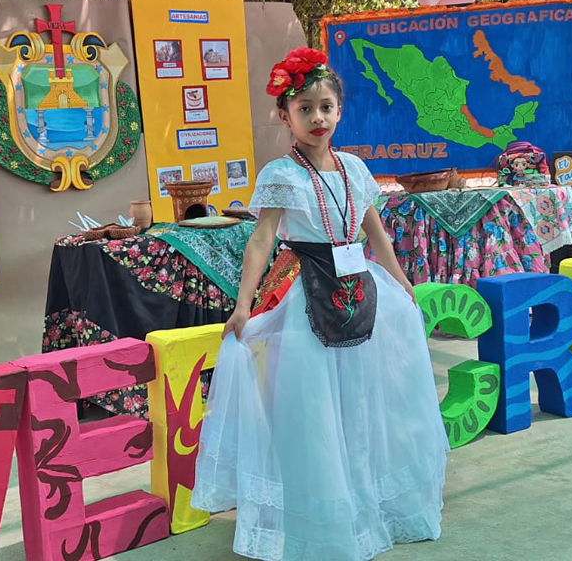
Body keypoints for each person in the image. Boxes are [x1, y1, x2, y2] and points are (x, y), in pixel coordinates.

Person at [191, 47, 448, 561]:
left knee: (364, 400)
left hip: (363, 292)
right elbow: (262, 240)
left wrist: (401, 283)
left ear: (340, 110)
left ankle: (368, 500)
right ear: (284, 116)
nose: (318, 117)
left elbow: (374, 230)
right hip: (307, 296)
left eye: (326, 107)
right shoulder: (280, 174)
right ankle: (325, 517)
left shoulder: (354, 168)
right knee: (313, 408)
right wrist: (243, 305)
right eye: (305, 108)